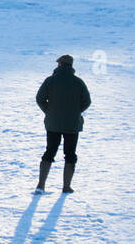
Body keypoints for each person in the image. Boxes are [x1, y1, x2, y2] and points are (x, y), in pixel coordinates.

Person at [35, 54, 92, 194]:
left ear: (59, 64)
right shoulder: (78, 82)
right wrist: (75, 112)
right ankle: (66, 187)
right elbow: (87, 101)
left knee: (49, 152)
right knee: (70, 154)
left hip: (53, 124)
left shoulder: (50, 81)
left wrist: (49, 112)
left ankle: (41, 185)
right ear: (71, 66)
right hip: (72, 125)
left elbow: (39, 98)